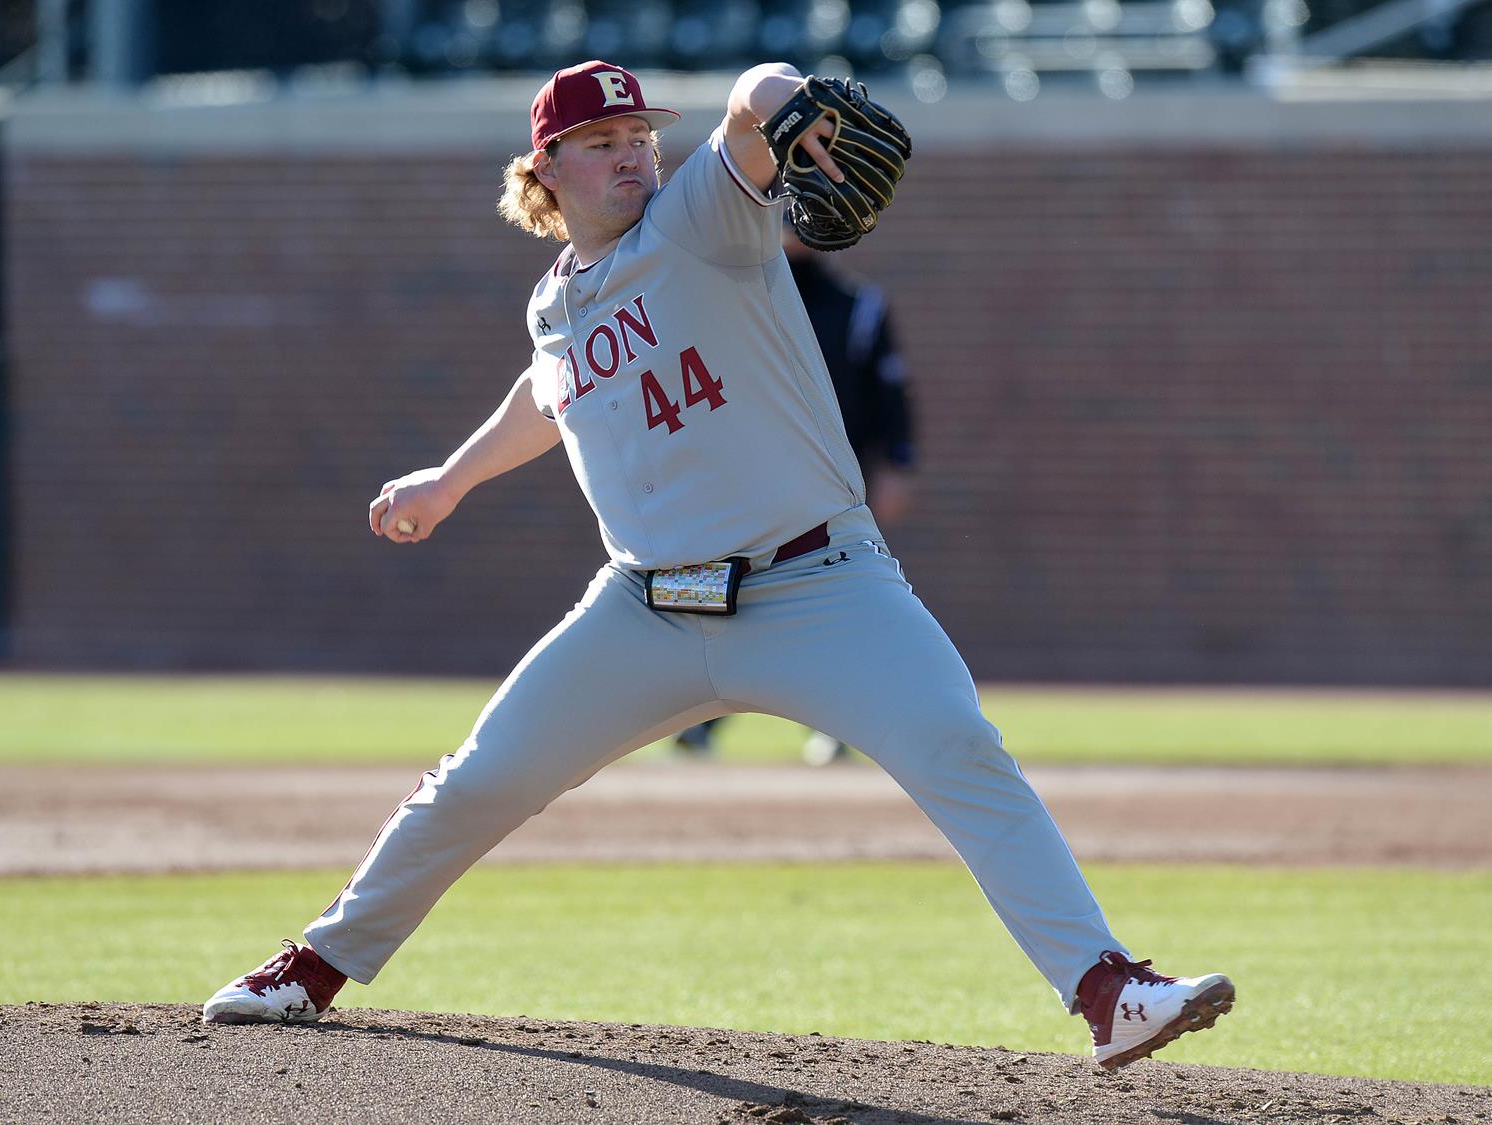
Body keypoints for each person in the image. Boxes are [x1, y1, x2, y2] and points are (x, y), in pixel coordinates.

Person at [199, 59, 1233, 1071]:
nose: (632, 154)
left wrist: (784, 100)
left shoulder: (699, 216)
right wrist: (448, 483)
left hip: (819, 584)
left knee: (958, 748)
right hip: (642, 612)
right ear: (544, 171)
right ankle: (317, 965)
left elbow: (748, 105)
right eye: (600, 143)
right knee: (474, 782)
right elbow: (545, 391)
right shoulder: (555, 299)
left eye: (639, 135)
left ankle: (1108, 992)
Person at [673, 213, 917, 764]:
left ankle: (840, 724)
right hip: (742, 475)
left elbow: (891, 394)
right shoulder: (734, 296)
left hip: (830, 482)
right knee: (718, 593)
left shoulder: (858, 306)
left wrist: (899, 464)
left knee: (841, 599)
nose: (790, 228)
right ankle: (701, 717)